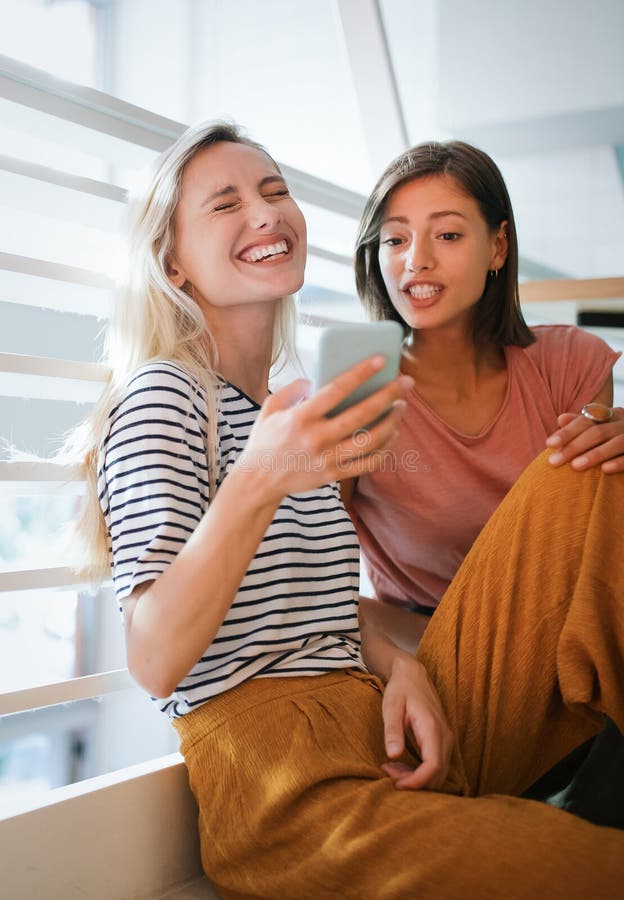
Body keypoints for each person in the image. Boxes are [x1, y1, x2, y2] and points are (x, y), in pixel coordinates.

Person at [75, 121, 624, 899]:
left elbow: (328, 608)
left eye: (274, 191)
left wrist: (401, 668)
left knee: (590, 469)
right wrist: (262, 475)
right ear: (172, 261)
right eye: (226, 203)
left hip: (392, 718)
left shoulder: (293, 408)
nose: (266, 214)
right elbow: (154, 657)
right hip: (285, 781)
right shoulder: (165, 395)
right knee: (590, 868)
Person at [347, 140, 623, 650]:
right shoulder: (358, 395)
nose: (417, 261)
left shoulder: (572, 364)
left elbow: (590, 542)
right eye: (395, 240)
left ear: (498, 247)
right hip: (439, 652)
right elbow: (321, 595)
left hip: (572, 630)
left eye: (447, 234)